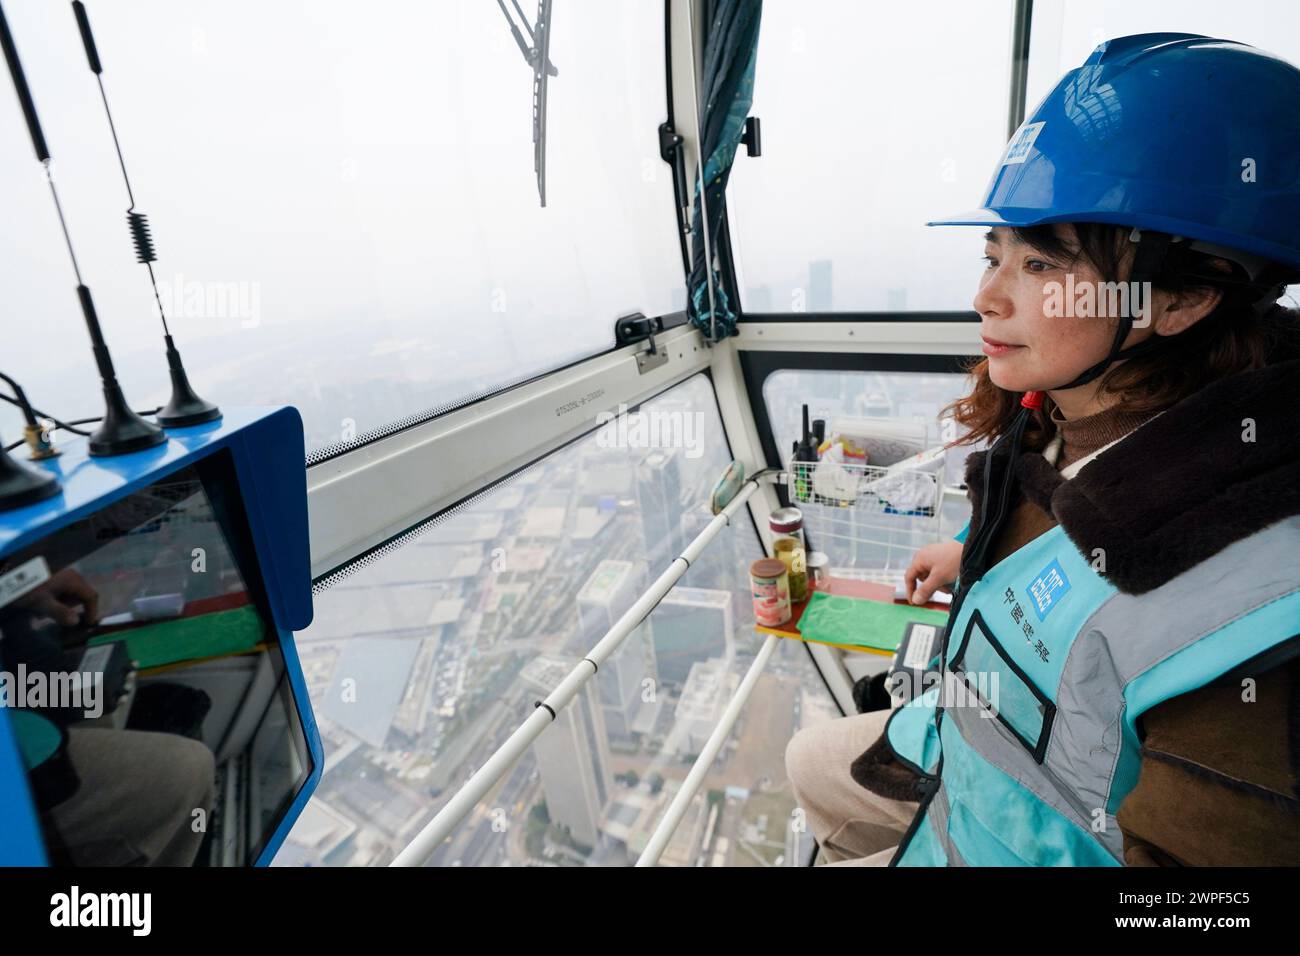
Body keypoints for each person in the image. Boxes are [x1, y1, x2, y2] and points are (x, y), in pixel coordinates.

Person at [786, 32, 1300, 866]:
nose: (985, 296)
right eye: (995, 255)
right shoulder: (1078, 412)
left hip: (1028, 828)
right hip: (968, 749)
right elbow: (1064, 509)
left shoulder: (1258, 621)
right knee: (807, 762)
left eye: (1038, 264)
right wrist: (971, 550)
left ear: (1180, 302)